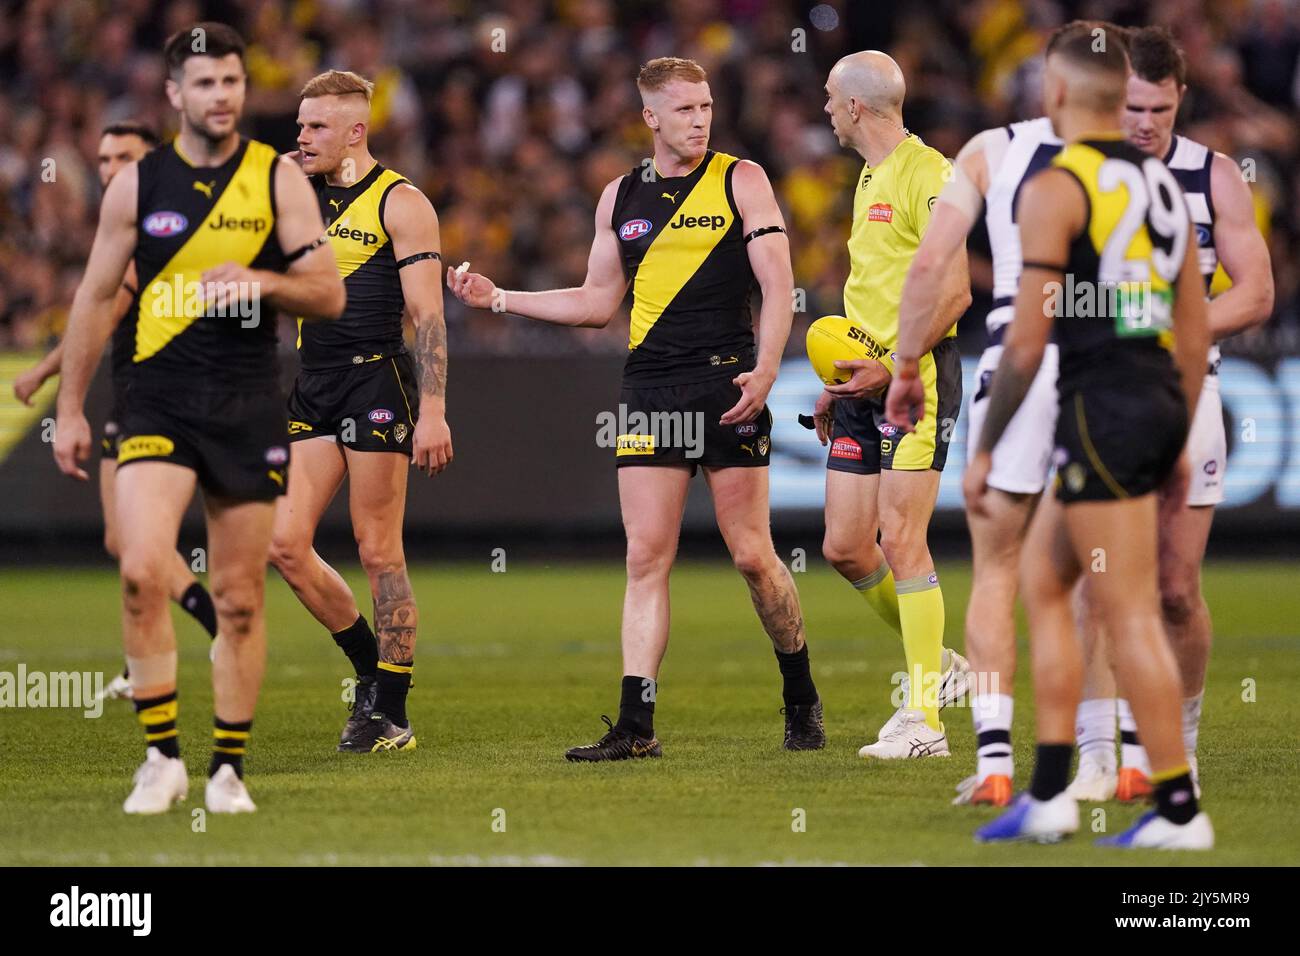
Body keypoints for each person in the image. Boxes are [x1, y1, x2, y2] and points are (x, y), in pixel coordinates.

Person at [448, 56, 821, 760]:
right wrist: (499, 298)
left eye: (706, 106)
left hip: (728, 383)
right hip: (650, 388)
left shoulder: (743, 180)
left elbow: (779, 285)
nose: (700, 119)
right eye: (684, 109)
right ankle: (636, 725)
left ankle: (799, 693)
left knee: (751, 556)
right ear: (650, 117)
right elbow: (595, 303)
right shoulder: (620, 196)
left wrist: (768, 367)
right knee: (646, 556)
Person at [53, 22, 344, 814]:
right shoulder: (136, 185)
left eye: (233, 82)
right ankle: (161, 760)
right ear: (175, 95)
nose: (222, 95)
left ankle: (226, 770)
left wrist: (260, 281)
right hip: (156, 396)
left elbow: (328, 292)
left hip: (247, 405)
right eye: (206, 83)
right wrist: (71, 406)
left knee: (241, 596)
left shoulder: (277, 180)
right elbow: (91, 299)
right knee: (142, 566)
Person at [966, 22, 1213, 848]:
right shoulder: (1167, 182)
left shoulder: (1055, 183)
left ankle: (1179, 809)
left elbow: (1028, 343)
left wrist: (991, 445)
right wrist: (1177, 433)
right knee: (1045, 580)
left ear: (1057, 93)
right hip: (1146, 402)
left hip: (1098, 408)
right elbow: (1192, 325)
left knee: (1128, 611)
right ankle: (1049, 793)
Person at [1068, 25, 1274, 804]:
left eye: (1156, 108)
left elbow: (1254, 292)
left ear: (1180, 98)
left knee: (1176, 588)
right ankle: (1093, 753)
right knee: (1095, 579)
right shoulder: (1077, 173)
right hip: (1098, 394)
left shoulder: (1215, 174)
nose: (1143, 122)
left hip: (1191, 394)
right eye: (1129, 106)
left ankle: (1174, 748)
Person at [269, 69, 452, 753]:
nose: (302, 137)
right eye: (300, 125)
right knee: (284, 544)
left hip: (377, 383)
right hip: (313, 382)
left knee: (378, 549)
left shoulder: (400, 203)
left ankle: (392, 713)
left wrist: (432, 410)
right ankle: (370, 678)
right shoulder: (296, 194)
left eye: (316, 127)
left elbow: (429, 315)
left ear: (355, 131)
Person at [14, 122, 219, 701]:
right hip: (141, 395)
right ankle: (163, 648)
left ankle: (204, 632)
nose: (109, 168)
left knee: (138, 543)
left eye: (123, 156)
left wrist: (43, 373)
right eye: (103, 158)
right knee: (121, 540)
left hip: (159, 400)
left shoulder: (150, 230)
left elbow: (96, 319)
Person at [812, 51, 972, 760]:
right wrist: (841, 375)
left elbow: (958, 292)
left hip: (916, 381)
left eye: (828, 99)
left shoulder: (929, 174)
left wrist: (896, 363)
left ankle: (925, 725)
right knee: (846, 547)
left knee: (903, 541)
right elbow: (873, 291)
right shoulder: (870, 177)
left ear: (854, 107)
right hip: (863, 381)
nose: (823, 110)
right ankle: (945, 662)